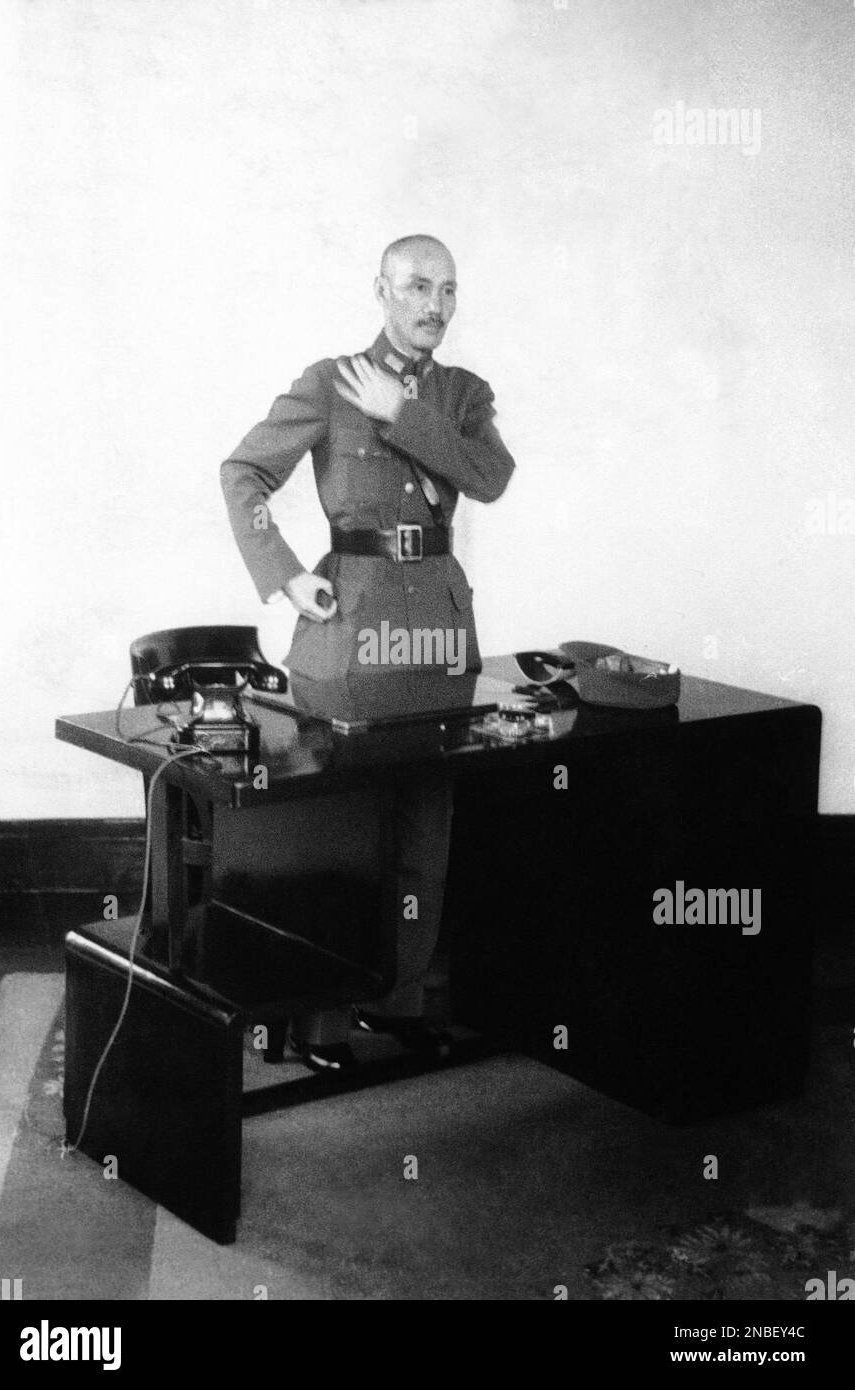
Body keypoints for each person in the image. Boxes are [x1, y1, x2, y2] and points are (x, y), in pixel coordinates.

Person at [220, 234, 515, 1072]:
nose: (434, 306)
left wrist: (403, 413)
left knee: (426, 822)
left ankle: (398, 999)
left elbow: (490, 478)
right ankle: (316, 1020)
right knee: (335, 826)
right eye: (417, 287)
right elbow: (241, 472)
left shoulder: (461, 393)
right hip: (350, 623)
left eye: (448, 291)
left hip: (436, 629)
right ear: (380, 290)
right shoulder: (327, 380)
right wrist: (281, 576)